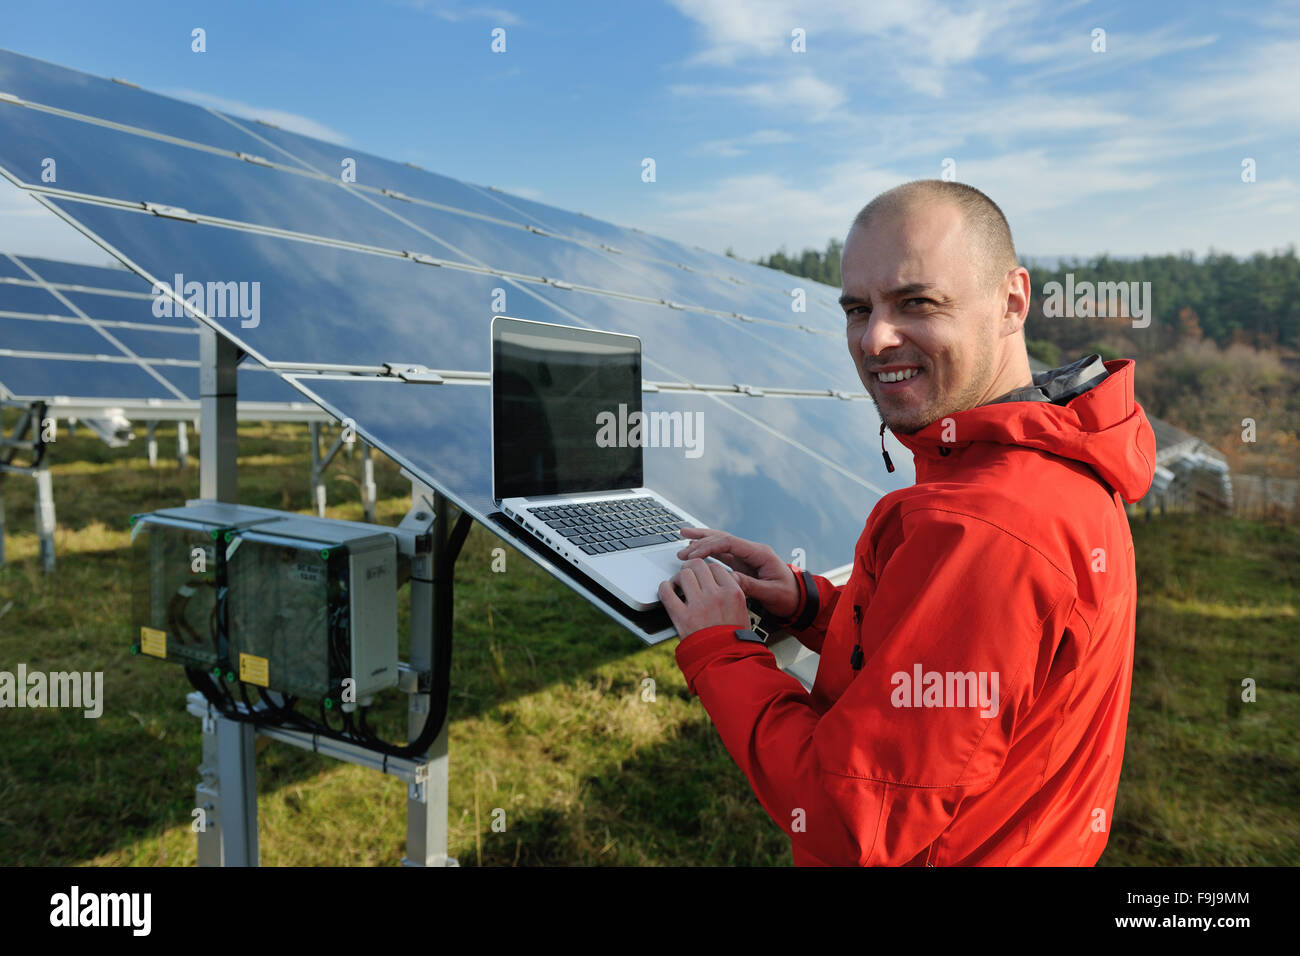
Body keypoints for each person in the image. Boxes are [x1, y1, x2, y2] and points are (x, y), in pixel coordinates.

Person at [658, 179, 1156, 866]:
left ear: (1012, 299)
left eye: (916, 301)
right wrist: (806, 603)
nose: (874, 338)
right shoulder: (1043, 461)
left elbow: (847, 820)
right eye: (857, 309)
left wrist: (721, 649)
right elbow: (948, 660)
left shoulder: (987, 529)